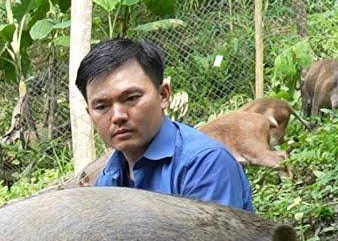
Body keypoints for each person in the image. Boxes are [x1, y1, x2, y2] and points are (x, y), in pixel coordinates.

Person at [75, 38, 254, 212]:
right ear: (90, 113)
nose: (118, 116)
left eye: (131, 98)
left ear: (163, 95)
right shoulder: (110, 175)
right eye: (101, 107)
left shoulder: (205, 164)